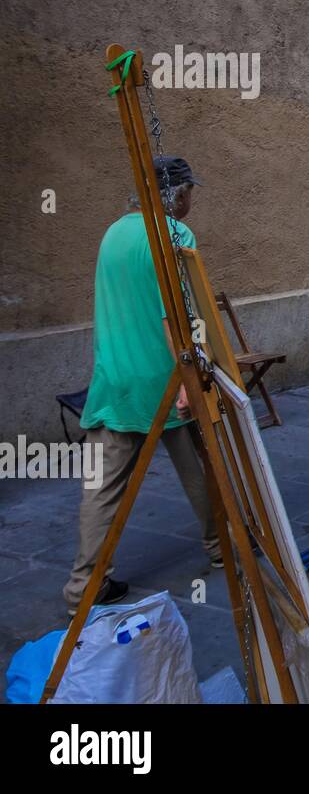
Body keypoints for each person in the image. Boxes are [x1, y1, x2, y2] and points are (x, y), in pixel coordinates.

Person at [65, 156, 222, 617]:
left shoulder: (113, 233)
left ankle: (83, 589)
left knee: (100, 488)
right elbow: (178, 314)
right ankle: (221, 548)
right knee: (201, 468)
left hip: (113, 380)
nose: (192, 199)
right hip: (165, 379)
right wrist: (190, 377)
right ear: (176, 193)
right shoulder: (175, 235)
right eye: (190, 190)